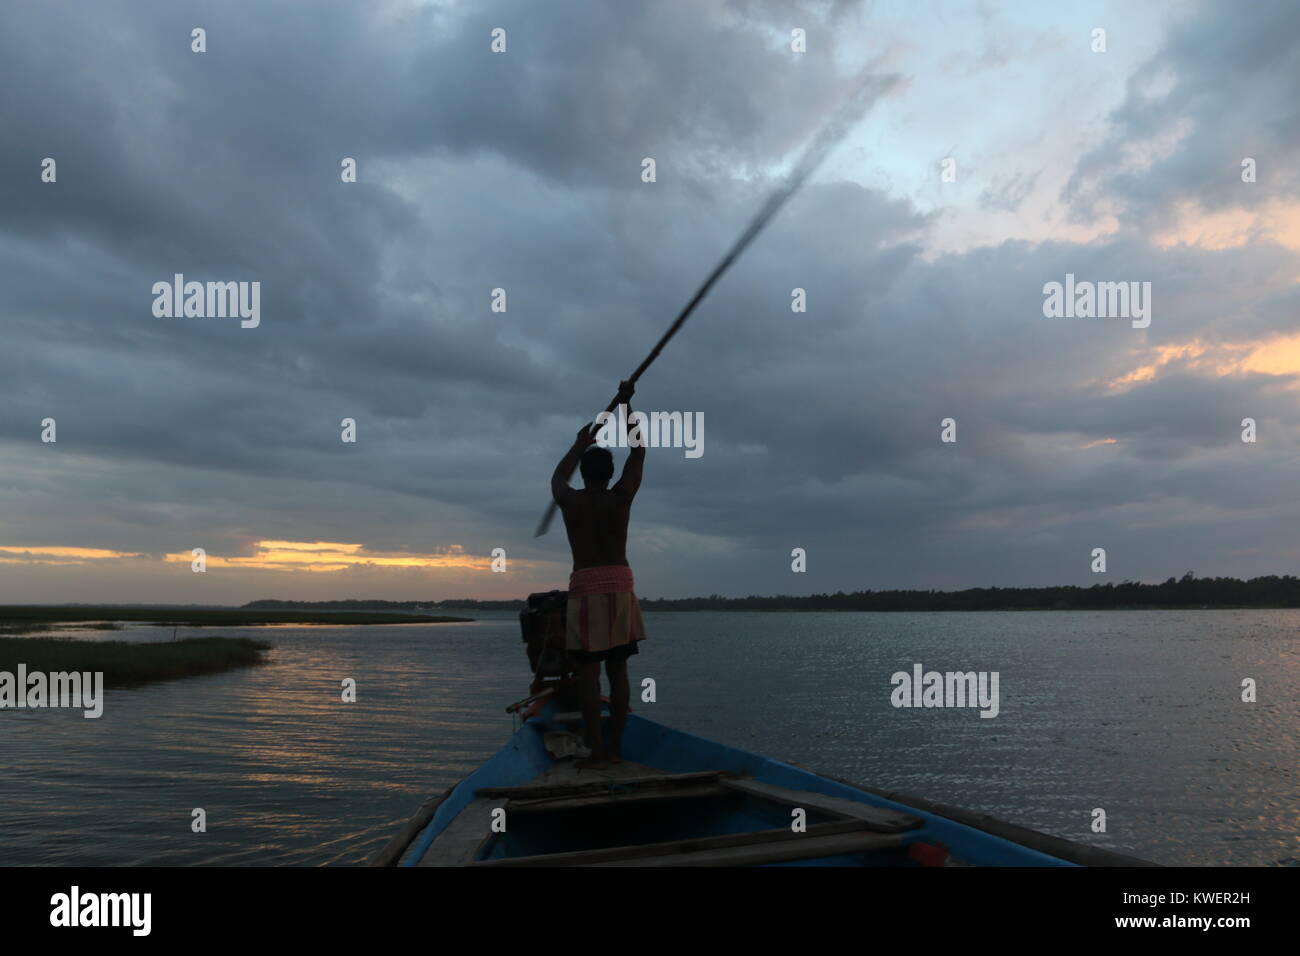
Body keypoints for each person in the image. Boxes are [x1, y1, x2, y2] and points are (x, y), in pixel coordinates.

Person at [551, 379, 647, 768]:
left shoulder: (570, 501)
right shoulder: (621, 497)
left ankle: (596, 751)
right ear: (609, 473)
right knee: (618, 670)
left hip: (587, 587)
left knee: (589, 677)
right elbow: (639, 449)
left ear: (585, 473)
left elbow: (556, 478)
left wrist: (578, 443)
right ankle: (617, 747)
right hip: (619, 586)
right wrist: (626, 406)